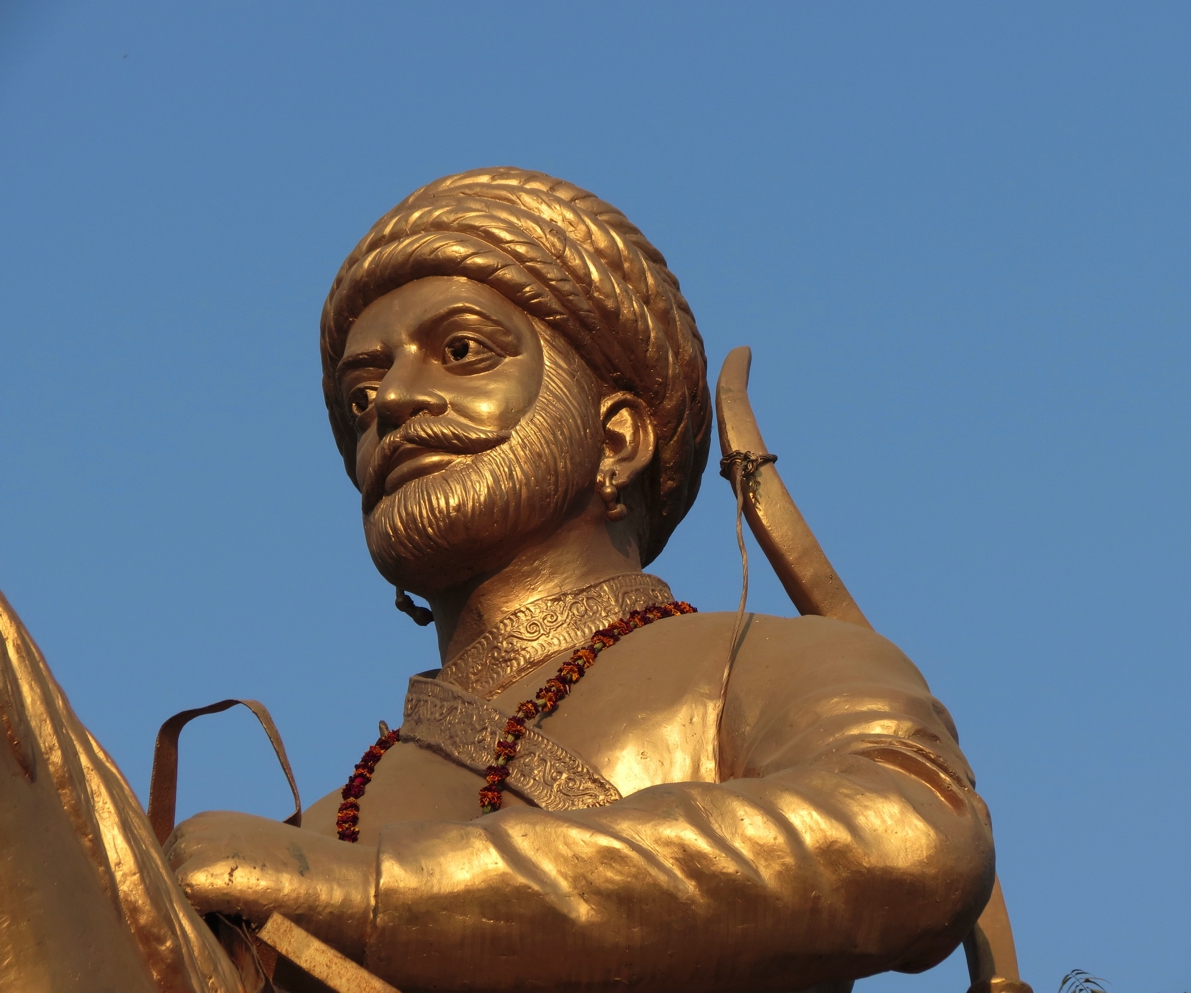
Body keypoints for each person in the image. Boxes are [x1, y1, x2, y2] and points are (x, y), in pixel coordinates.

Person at [3, 168, 996, 993]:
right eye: (358, 395)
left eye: (463, 352)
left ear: (616, 436)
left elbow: (910, 840)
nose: (390, 403)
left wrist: (375, 895)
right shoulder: (306, 837)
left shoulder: (760, 668)